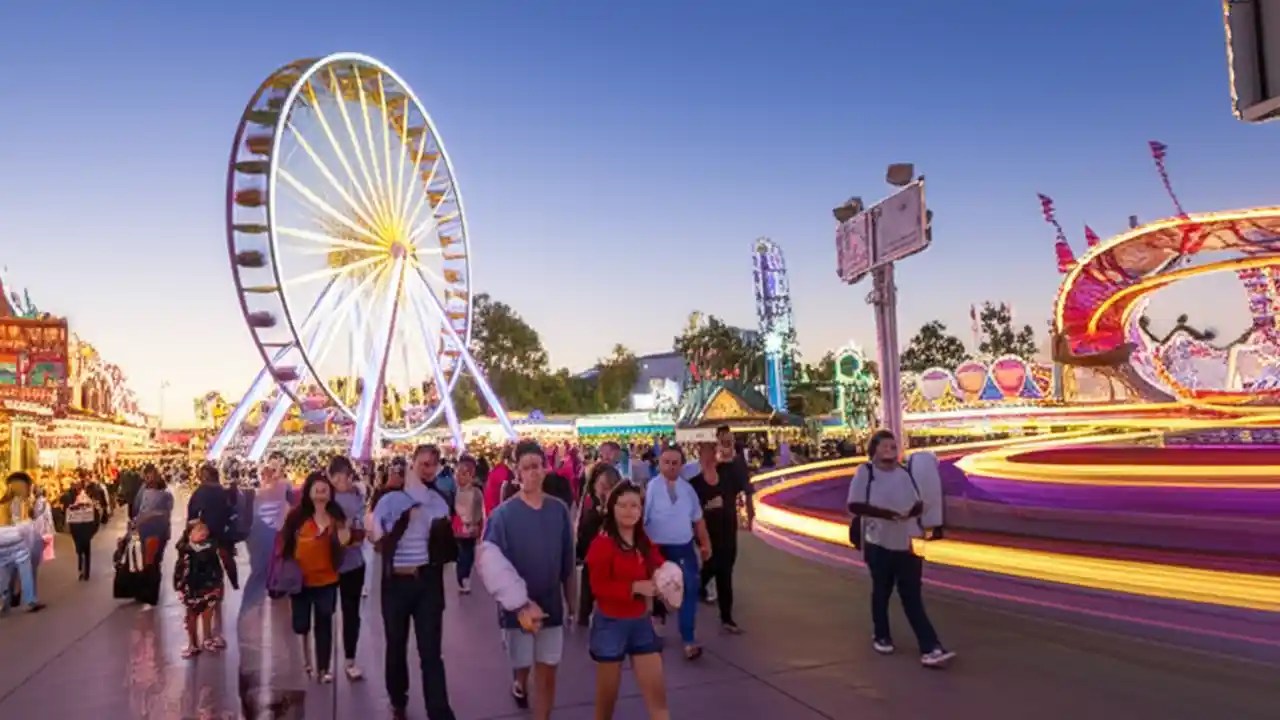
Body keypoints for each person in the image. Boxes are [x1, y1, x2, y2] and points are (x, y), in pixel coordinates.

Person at [476, 440, 574, 719]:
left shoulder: (559, 511)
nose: (532, 473)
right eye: (526, 468)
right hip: (516, 611)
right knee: (522, 661)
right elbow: (490, 561)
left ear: (545, 470)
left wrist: (572, 601)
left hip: (551, 606)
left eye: (537, 467)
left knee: (548, 671)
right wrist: (516, 600)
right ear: (517, 474)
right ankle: (519, 681)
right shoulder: (502, 516)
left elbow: (568, 559)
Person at [847, 429, 955, 668]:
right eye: (884, 447)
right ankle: (881, 634)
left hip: (904, 542)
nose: (890, 451)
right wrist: (886, 514)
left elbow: (917, 502)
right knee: (882, 590)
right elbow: (854, 504)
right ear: (873, 450)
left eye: (893, 447)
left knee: (912, 596)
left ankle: (930, 647)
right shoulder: (865, 473)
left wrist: (913, 513)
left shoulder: (904, 474)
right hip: (877, 540)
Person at [373, 444, 456, 720]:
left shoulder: (440, 501)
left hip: (427, 583)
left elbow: (444, 546)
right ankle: (398, 698)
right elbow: (376, 539)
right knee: (396, 645)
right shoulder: (389, 501)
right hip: (396, 583)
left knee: (431, 651)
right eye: (423, 463)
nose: (428, 468)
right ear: (412, 463)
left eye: (433, 464)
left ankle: (440, 712)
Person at [586, 483, 670, 719]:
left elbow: (660, 566)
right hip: (611, 624)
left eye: (634, 505)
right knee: (606, 707)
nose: (628, 510)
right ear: (612, 508)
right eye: (622, 505)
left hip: (641, 622)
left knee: (658, 701)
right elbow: (598, 586)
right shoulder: (602, 545)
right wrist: (634, 587)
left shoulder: (644, 542)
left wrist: (669, 580)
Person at [643, 445, 712, 660]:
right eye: (667, 462)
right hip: (656, 548)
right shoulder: (651, 488)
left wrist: (705, 544)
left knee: (690, 587)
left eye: (675, 463)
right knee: (655, 590)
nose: (671, 467)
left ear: (681, 465)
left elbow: (698, 519)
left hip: (683, 546)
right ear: (659, 464)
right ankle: (654, 628)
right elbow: (640, 520)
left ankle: (688, 639)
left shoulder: (688, 490)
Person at [280, 471, 348, 684]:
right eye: (316, 488)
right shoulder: (296, 517)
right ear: (308, 491)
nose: (320, 492)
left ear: (330, 493)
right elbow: (285, 545)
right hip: (300, 582)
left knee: (324, 623)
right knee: (301, 624)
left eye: (324, 489)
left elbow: (345, 542)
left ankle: (323, 668)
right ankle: (305, 661)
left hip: (327, 581)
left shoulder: (336, 517)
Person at [688, 441, 753, 633]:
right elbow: (692, 513)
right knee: (715, 566)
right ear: (699, 458)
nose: (709, 458)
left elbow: (743, 480)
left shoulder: (728, 478)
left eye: (712, 453)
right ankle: (702, 589)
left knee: (725, 571)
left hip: (728, 532)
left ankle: (726, 617)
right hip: (707, 534)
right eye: (705, 454)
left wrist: (749, 514)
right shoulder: (695, 485)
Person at [328, 455, 368, 681]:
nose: (343, 480)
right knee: (327, 612)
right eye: (338, 476)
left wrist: (355, 532)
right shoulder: (325, 498)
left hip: (353, 563)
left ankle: (350, 659)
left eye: (346, 476)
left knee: (351, 613)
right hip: (329, 564)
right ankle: (325, 662)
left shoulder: (357, 496)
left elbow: (361, 525)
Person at [576, 463, 622, 626]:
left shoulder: (619, 506)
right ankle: (584, 614)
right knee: (588, 585)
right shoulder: (589, 504)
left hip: (612, 555)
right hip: (591, 552)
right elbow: (582, 528)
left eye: (609, 487)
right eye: (602, 486)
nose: (605, 491)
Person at [174, 518, 225, 658]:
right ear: (189, 534)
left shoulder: (210, 548)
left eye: (205, 529)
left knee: (208, 613)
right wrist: (179, 585)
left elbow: (217, 567)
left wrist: (217, 582)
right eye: (198, 529)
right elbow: (180, 570)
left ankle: (207, 638)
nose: (203, 532)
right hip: (191, 589)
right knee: (191, 616)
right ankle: (193, 644)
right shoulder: (186, 551)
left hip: (208, 587)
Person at [452, 455, 483, 594]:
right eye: (459, 473)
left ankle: (464, 577)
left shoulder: (476, 492)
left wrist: (477, 525)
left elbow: (481, 510)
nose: (460, 477)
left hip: (471, 527)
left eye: (465, 474)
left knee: (468, 554)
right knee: (462, 554)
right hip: (458, 527)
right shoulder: (453, 491)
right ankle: (462, 578)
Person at [133, 465, 174, 569]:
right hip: (152, 531)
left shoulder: (164, 494)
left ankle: (150, 578)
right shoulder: (165, 494)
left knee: (151, 560)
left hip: (152, 531)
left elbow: (136, 509)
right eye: (148, 477)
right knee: (153, 560)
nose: (150, 480)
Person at [66, 484, 99, 581]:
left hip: (78, 532)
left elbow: (70, 520)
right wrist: (92, 532)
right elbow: (95, 520)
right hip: (87, 532)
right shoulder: (90, 503)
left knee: (80, 552)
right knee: (87, 552)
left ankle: (80, 570)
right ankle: (86, 573)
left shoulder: (75, 503)